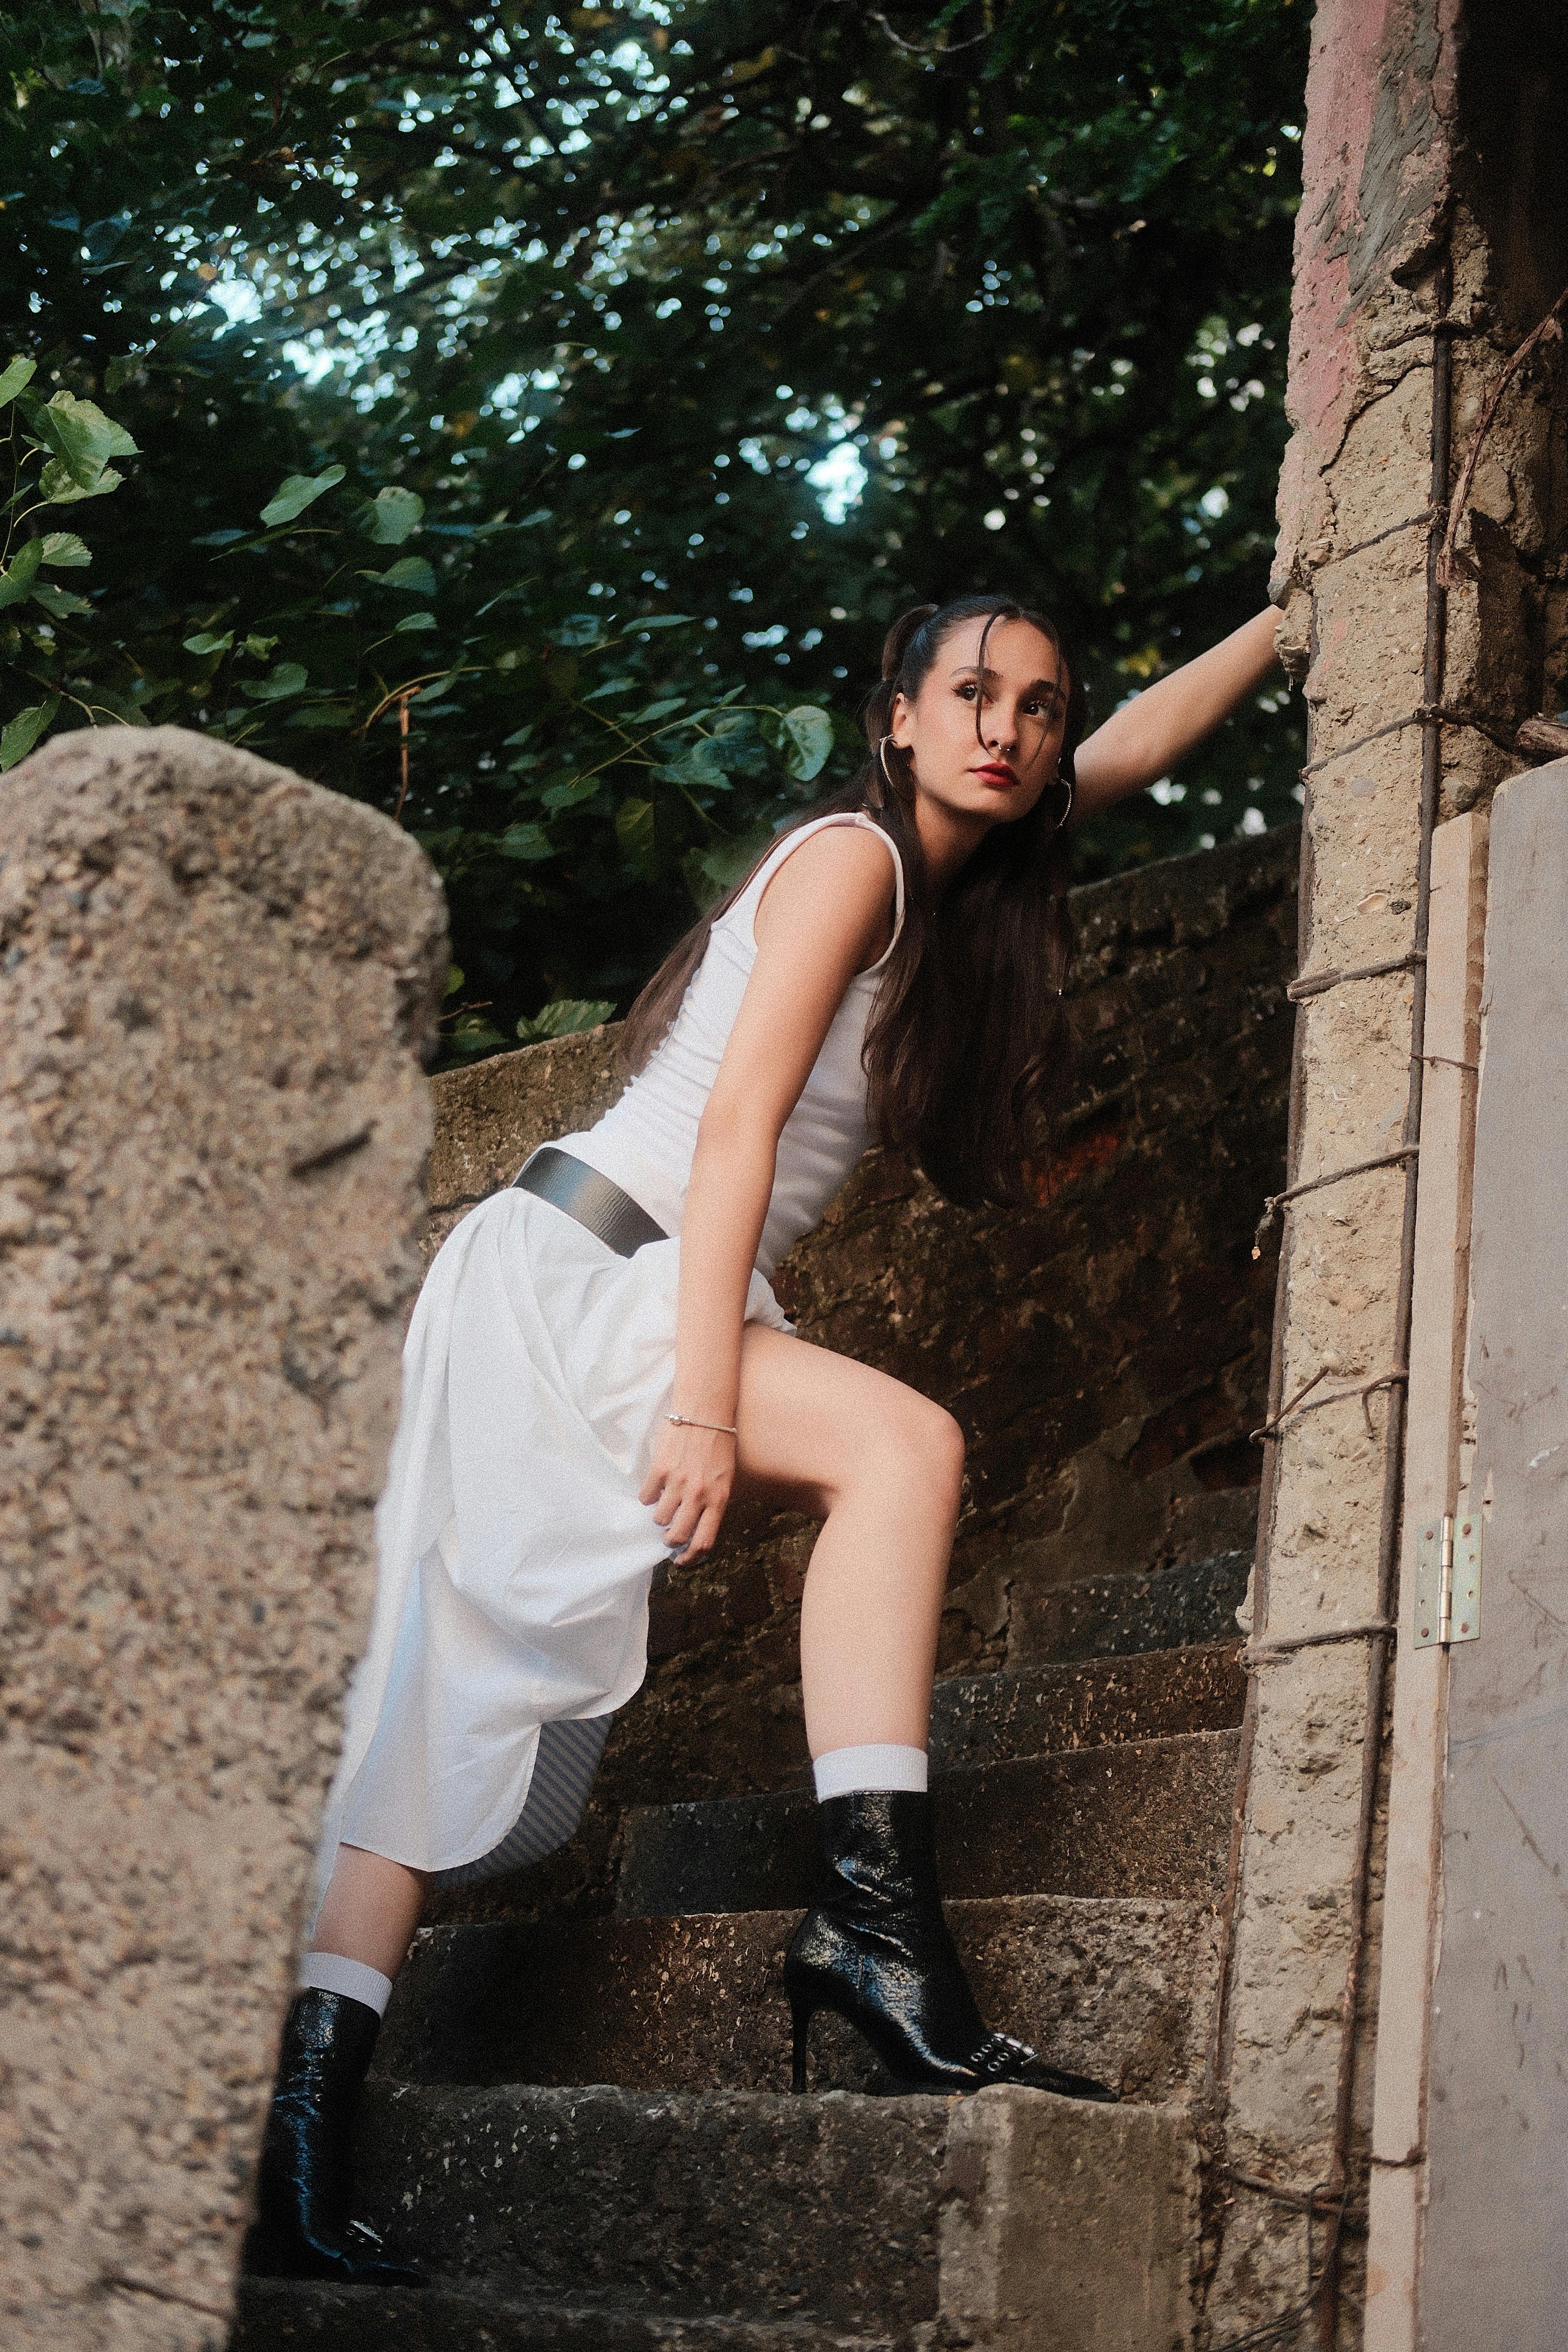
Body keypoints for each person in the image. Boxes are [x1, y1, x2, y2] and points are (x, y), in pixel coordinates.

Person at [245, 592, 1284, 2284]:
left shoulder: (968, 872)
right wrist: (706, 1398)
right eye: (972, 693)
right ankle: (875, 1934)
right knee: (906, 1450)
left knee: (426, 1718)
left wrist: (1297, 614)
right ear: (898, 715)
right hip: (601, 1266)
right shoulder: (854, 863)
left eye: (1037, 705)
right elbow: (734, 1126)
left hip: (585, 1266)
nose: (1010, 728)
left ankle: (290, 2158)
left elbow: (1135, 742)